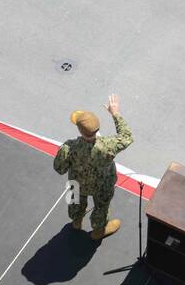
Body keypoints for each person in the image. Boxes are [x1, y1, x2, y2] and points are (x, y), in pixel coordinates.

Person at [52, 94, 133, 240]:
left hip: (77, 184)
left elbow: (59, 169)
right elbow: (127, 137)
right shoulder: (108, 145)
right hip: (102, 185)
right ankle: (98, 230)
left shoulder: (69, 148)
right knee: (102, 207)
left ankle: (76, 221)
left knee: (75, 200)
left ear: (80, 130)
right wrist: (115, 113)